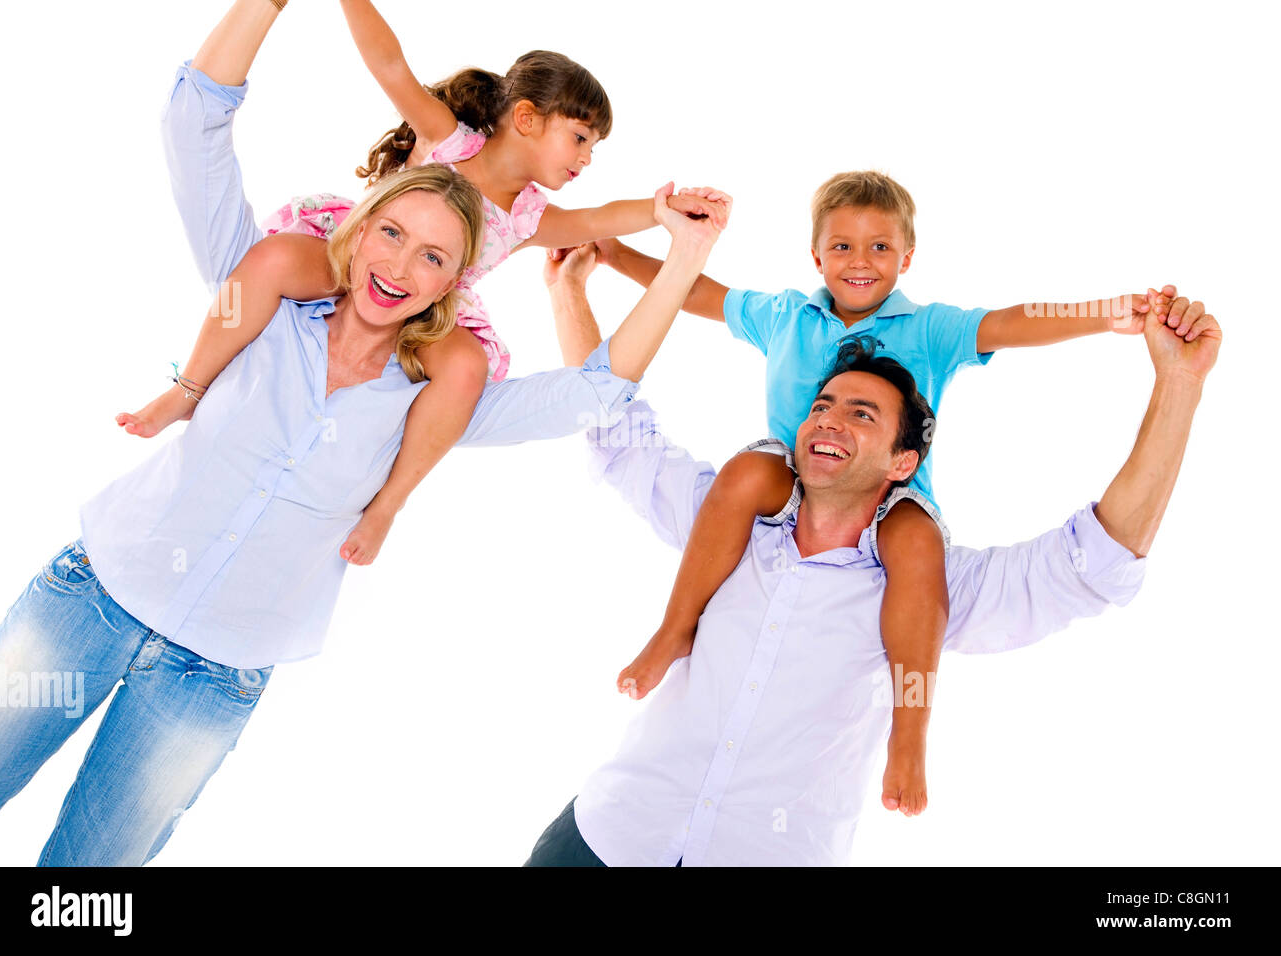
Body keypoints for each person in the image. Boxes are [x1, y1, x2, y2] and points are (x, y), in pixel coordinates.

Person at [0, 10, 726, 866]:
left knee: (84, 883)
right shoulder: (262, 294)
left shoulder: (441, 389)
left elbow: (596, 391)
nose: (404, 268)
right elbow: (201, 119)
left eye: (438, 260)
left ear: (458, 285)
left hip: (215, 674)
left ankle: (387, 503)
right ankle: (183, 391)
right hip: (94, 594)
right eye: (394, 236)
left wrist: (680, 247)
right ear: (363, 223)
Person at [524, 256, 1219, 865]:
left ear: (903, 462)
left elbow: (1092, 564)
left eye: (862, 415)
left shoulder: (924, 588)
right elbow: (616, 432)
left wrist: (1179, 386)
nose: (827, 418)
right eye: (823, 404)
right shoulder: (729, 523)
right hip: (610, 836)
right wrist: (567, 291)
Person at [592, 171, 1173, 817]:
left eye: (878, 248)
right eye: (841, 247)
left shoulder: (930, 329)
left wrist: (1107, 314)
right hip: (789, 478)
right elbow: (697, 292)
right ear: (816, 257)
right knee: (745, 474)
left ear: (906, 258)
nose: (859, 262)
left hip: (891, 496)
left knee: (916, 546)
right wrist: (615, 254)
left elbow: (1016, 321)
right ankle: (675, 630)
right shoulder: (784, 315)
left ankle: (909, 734)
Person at [118, 0, 729, 567]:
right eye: (580, 139)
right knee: (270, 263)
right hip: (355, 260)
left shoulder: (530, 217)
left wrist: (663, 209)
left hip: (424, 309)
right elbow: (389, 63)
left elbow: (603, 218)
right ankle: (190, 388)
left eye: (593, 148)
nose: (586, 158)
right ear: (526, 118)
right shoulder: (449, 139)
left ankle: (389, 503)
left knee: (464, 371)